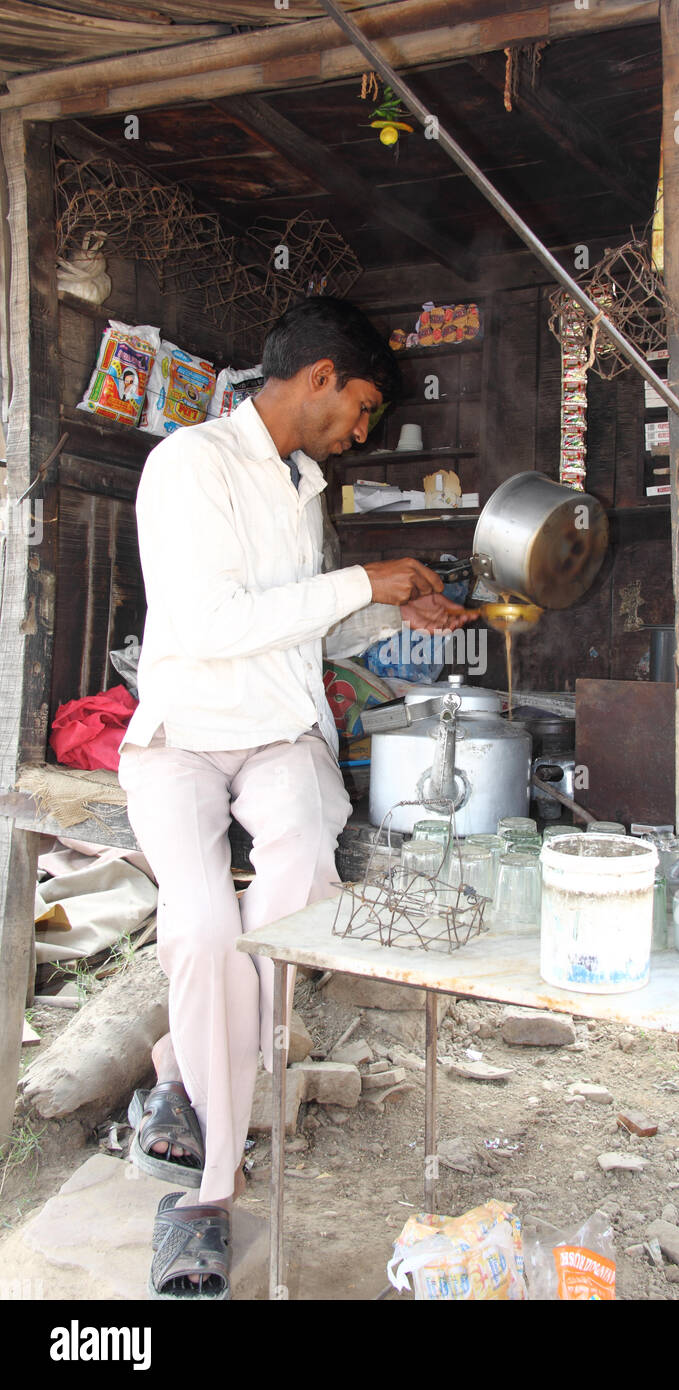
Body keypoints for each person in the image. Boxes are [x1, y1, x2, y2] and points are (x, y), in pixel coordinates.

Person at [119, 297, 471, 1299]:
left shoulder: (300, 482)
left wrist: (392, 605)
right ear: (318, 376)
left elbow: (294, 633)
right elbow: (214, 623)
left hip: (279, 735)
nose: (359, 433)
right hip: (181, 738)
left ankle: (184, 1072)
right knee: (196, 928)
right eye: (359, 407)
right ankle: (205, 1193)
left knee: (291, 897)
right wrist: (363, 578)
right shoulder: (189, 463)